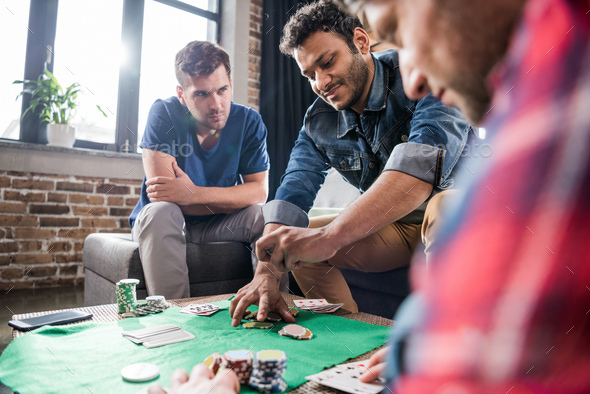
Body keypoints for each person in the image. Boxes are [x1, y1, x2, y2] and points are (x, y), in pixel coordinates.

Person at [336, 0, 590, 392]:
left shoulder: (568, 66)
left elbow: (452, 382)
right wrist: (421, 336)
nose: (413, 81)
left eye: (398, 29)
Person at [230, 0, 474, 326]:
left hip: (466, 212)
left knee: (443, 208)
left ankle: (438, 345)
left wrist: (330, 237)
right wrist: (268, 269)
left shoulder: (419, 73)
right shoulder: (317, 121)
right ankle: (351, 342)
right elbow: (292, 191)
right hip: (399, 228)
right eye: (309, 75)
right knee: (299, 242)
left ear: (361, 42)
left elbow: (418, 172)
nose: (321, 82)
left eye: (327, 62)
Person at [129, 41, 270, 299]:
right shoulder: (164, 113)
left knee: (264, 214)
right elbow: (165, 196)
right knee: (161, 211)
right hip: (167, 221)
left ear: (230, 82)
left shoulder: (249, 122)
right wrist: (230, 199)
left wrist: (192, 195)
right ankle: (175, 322)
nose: (216, 104)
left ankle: (270, 309)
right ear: (182, 94)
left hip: (218, 225)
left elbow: (259, 192)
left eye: (222, 90)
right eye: (202, 94)